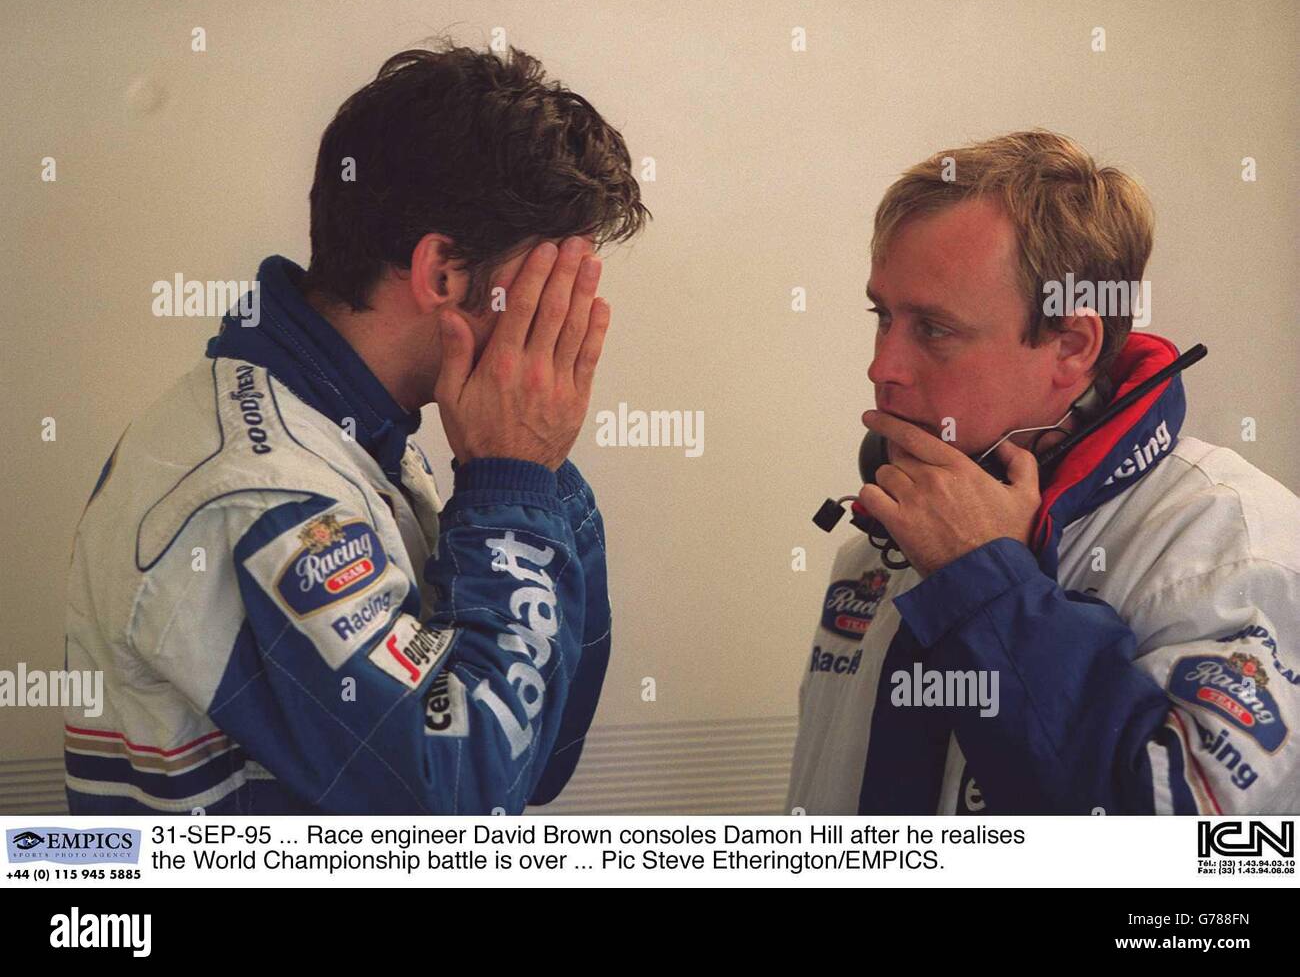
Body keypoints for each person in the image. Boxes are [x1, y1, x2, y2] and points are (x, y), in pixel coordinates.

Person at [64, 43, 649, 814]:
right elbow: (461, 811)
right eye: (548, 278)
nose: (566, 312)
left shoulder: (356, 440)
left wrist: (534, 479)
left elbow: (535, 757)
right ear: (443, 273)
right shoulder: (257, 493)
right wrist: (514, 482)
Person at [788, 130, 1299, 815]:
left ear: (1071, 347)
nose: (882, 366)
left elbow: (1183, 854)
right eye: (884, 317)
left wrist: (987, 588)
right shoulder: (877, 549)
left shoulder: (1231, 543)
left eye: (933, 329)